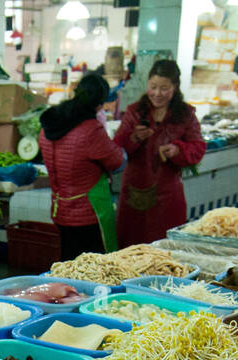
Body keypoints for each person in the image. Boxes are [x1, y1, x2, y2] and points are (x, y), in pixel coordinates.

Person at [112, 58, 206, 247]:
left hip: (168, 195)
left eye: (164, 88)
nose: (157, 93)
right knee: (130, 248)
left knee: (165, 250)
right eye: (153, 87)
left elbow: (198, 147)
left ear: (175, 87)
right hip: (134, 192)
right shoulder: (134, 112)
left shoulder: (186, 114)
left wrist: (178, 150)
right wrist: (134, 138)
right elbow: (117, 149)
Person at [39, 72, 126, 258]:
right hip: (87, 214)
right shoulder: (90, 130)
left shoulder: (49, 124)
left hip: (59, 209)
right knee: (92, 270)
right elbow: (117, 162)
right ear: (99, 105)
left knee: (68, 264)